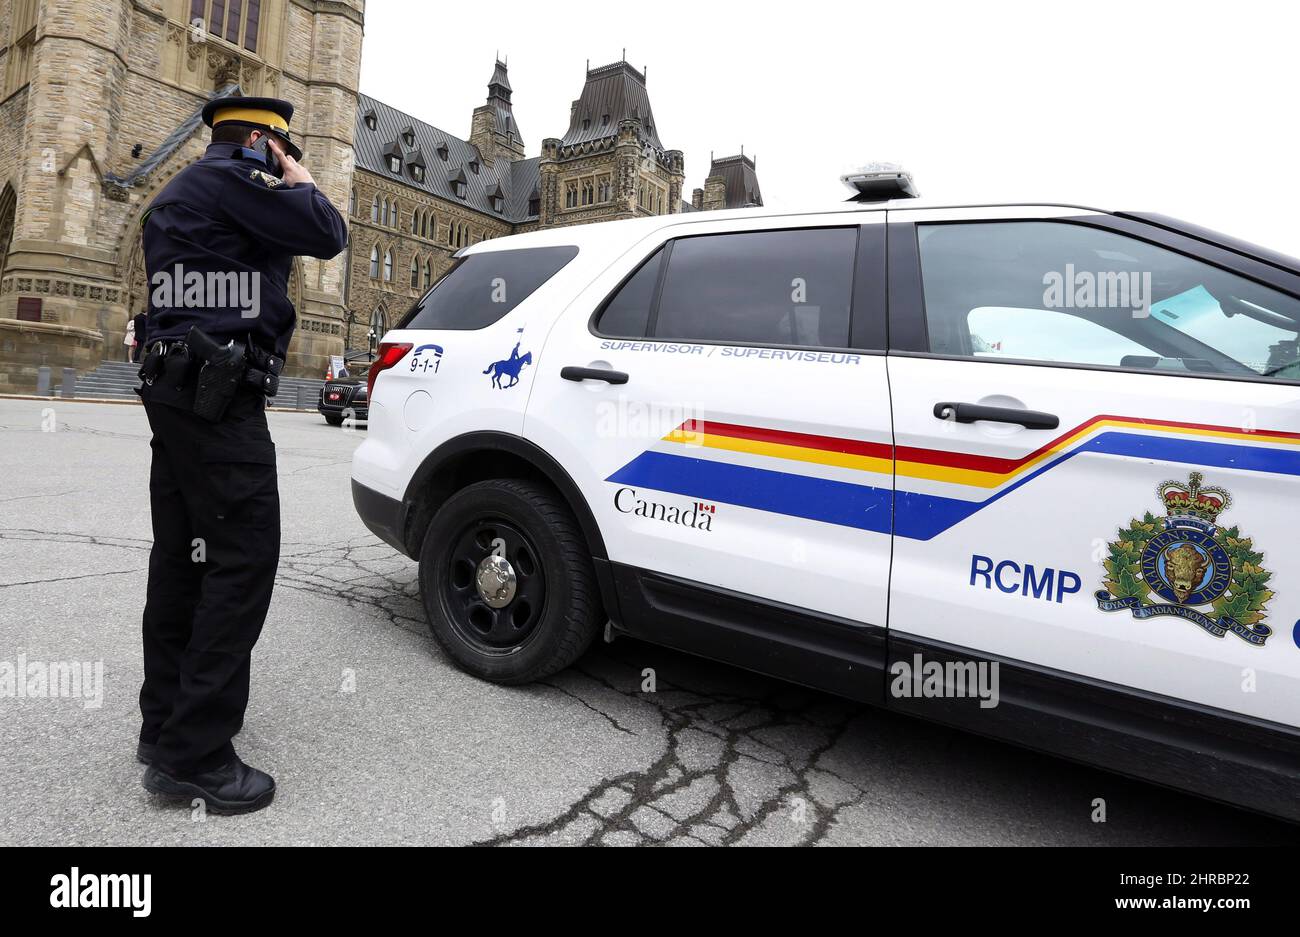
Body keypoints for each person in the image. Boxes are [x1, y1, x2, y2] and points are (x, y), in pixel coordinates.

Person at [135, 96, 348, 814]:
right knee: (242, 559)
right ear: (262, 142)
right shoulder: (241, 182)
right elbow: (328, 231)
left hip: (173, 391)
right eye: (279, 148)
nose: (281, 159)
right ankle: (194, 755)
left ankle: (162, 722)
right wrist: (299, 176)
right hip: (220, 400)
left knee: (182, 558)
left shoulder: (175, 191)